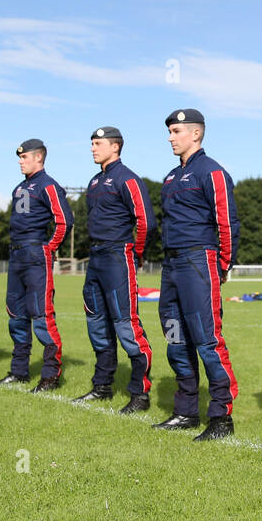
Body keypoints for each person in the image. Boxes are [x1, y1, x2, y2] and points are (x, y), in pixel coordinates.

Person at [153, 109, 240, 440]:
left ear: (195, 134)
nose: (170, 137)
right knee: (175, 337)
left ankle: (221, 417)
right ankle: (185, 410)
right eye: (170, 131)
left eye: (176, 131)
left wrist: (222, 264)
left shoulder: (212, 172)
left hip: (199, 262)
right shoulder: (171, 177)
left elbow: (227, 222)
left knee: (206, 338)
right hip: (171, 266)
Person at [74, 126, 155, 412]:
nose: (93, 148)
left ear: (115, 147)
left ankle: (140, 393)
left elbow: (145, 221)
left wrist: (137, 253)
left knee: (125, 323)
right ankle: (102, 386)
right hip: (94, 258)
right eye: (92, 143)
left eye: (98, 143)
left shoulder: (128, 179)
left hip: (118, 255)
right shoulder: (95, 182)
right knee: (96, 322)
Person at [0, 139, 74, 392]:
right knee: (16, 314)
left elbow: (64, 221)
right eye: (19, 158)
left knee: (41, 314)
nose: (20, 161)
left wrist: (48, 247)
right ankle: (18, 371)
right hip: (16, 254)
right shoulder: (19, 187)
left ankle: (50, 375)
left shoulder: (49, 185)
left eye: (24, 157)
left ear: (38, 157)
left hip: (35, 253)